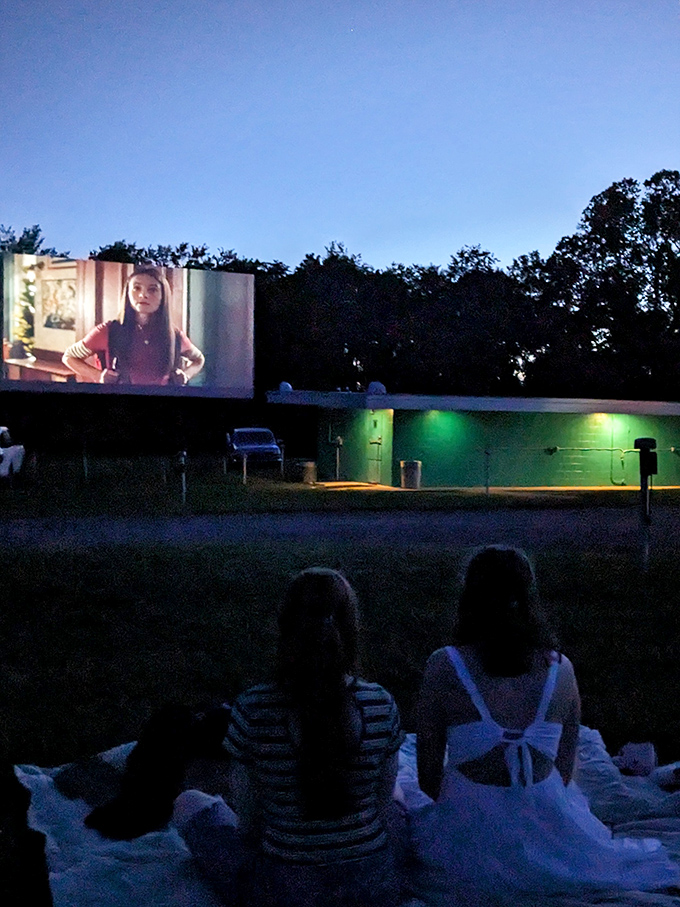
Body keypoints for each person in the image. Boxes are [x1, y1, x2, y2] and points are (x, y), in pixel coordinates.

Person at [412, 545, 680, 906]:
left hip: (469, 836)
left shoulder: (443, 666)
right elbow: (565, 772)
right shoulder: (561, 669)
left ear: (470, 597)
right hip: (549, 823)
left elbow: (428, 779)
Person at [175, 567, 405, 907]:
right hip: (373, 888)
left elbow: (250, 827)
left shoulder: (253, 709)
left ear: (285, 628)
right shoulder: (380, 704)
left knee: (189, 802)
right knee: (399, 799)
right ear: (351, 631)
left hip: (286, 892)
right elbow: (383, 809)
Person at [62, 266, 204, 386]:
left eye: (152, 289)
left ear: (163, 296)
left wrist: (186, 375)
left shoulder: (174, 335)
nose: (143, 295)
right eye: (136, 288)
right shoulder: (108, 331)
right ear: (128, 293)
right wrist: (98, 375)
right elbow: (69, 356)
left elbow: (199, 359)